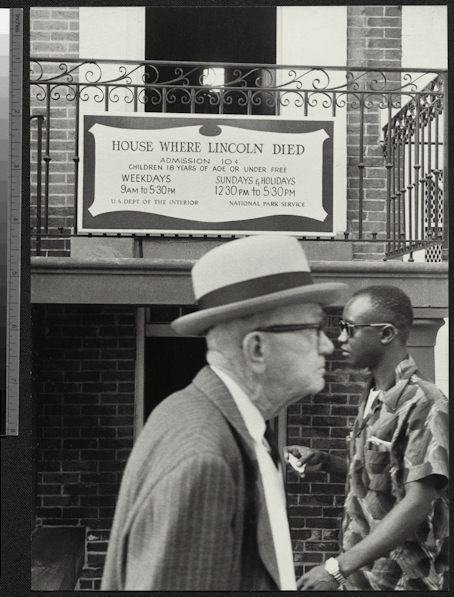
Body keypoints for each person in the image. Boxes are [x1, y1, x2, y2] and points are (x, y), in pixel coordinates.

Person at [101, 235, 347, 590]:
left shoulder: (212, 420)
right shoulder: (204, 460)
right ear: (257, 349)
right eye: (314, 327)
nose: (327, 345)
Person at [286, 285, 449, 591]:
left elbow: (418, 501)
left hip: (405, 582)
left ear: (386, 334)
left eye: (350, 328)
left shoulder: (425, 402)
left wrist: (336, 568)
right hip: (362, 578)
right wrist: (327, 462)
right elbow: (385, 477)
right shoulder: (373, 394)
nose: (341, 338)